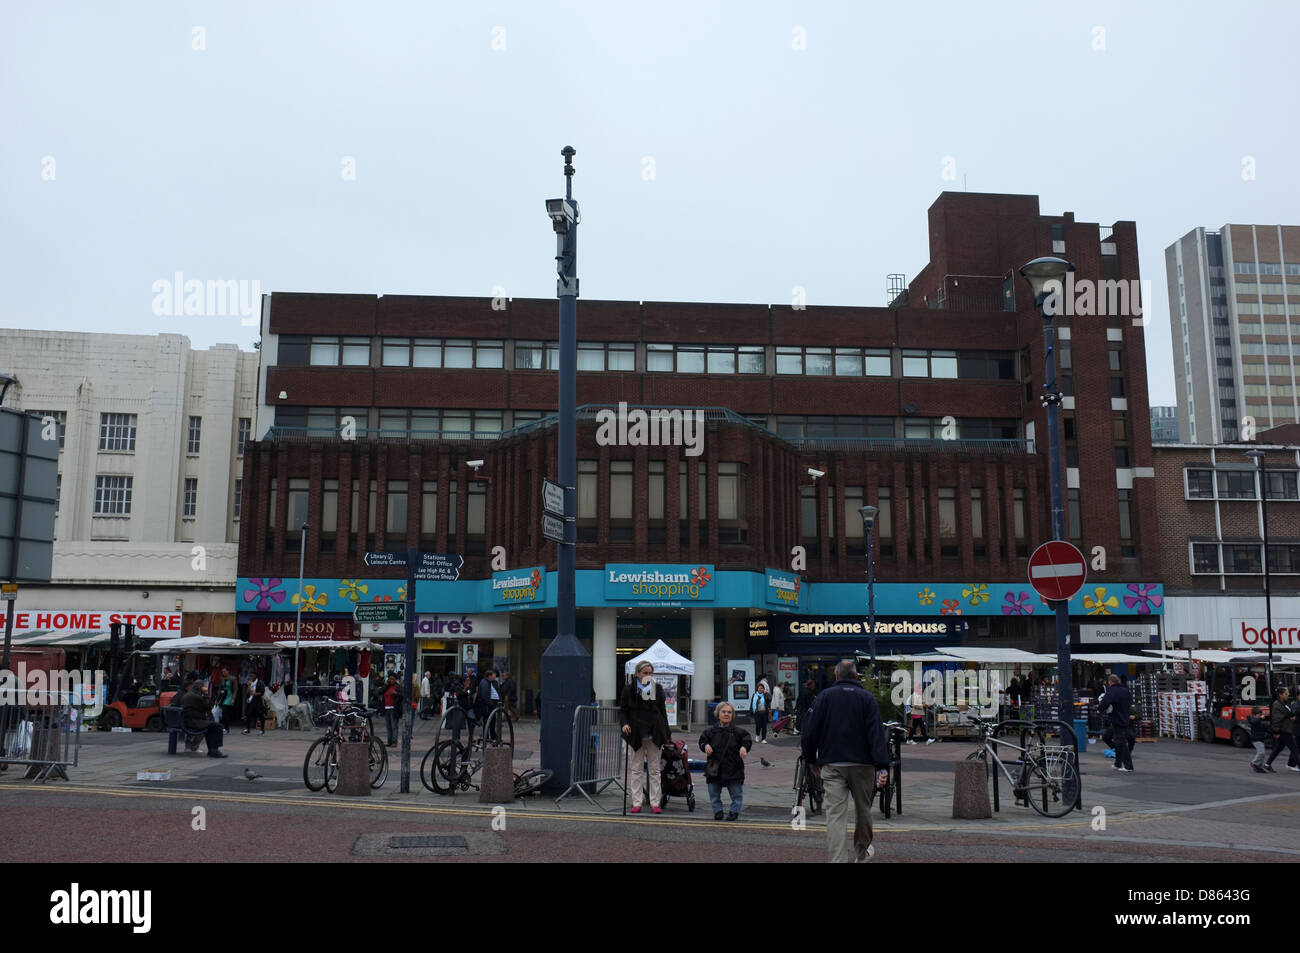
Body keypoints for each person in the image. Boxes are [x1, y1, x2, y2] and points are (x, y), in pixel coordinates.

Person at [800, 660, 889, 863]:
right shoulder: (867, 698)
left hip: (833, 763)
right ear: (856, 676)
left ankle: (838, 860)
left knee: (835, 816)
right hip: (863, 765)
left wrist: (811, 758)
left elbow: (809, 731)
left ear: (837, 676)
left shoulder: (824, 697)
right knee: (863, 810)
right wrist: (882, 765)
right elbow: (876, 734)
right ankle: (861, 852)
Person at [619, 660, 671, 814]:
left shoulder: (658, 689)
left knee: (654, 769)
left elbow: (662, 711)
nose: (648, 676)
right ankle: (637, 802)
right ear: (637, 674)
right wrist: (624, 724)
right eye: (645, 673)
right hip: (635, 732)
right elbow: (623, 710)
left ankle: (655, 802)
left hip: (654, 731)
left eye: (650, 673)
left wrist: (666, 732)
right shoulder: (629, 690)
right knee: (636, 769)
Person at [698, 701, 751, 820]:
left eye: (729, 712)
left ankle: (734, 812)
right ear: (718, 714)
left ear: (732, 715)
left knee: (736, 794)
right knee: (713, 793)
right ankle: (718, 811)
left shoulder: (739, 732)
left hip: (733, 767)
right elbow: (702, 741)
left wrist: (744, 747)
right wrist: (705, 746)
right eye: (724, 712)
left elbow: (746, 741)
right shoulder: (709, 732)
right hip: (715, 767)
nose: (726, 714)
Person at [180, 680, 227, 758]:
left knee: (211, 726)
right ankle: (214, 750)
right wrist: (206, 694)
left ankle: (212, 750)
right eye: (204, 686)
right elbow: (208, 706)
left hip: (188, 720)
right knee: (218, 727)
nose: (205, 687)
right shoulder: (196, 696)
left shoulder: (189, 694)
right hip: (193, 722)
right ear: (200, 687)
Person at [1099, 674, 1134, 772]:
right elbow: (1130, 702)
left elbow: (1105, 702)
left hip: (1116, 719)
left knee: (1121, 742)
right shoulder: (1125, 690)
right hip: (1124, 718)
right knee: (1109, 737)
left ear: (1110, 682)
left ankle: (1128, 766)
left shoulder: (1111, 691)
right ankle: (1117, 763)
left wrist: (1100, 709)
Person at [1265, 687, 1298, 772]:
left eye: (1288, 694)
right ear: (1280, 695)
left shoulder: (1284, 703)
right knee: (1294, 749)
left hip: (1285, 728)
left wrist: (1291, 716)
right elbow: (1276, 719)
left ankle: (1267, 764)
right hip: (1283, 730)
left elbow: (1289, 713)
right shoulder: (1277, 704)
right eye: (1286, 694)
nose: (1288, 695)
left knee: (1278, 748)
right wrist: (1276, 731)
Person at [1248, 706, 1272, 773]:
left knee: (1263, 754)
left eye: (1260, 715)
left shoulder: (1259, 721)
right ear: (1254, 715)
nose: (1260, 716)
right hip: (1255, 739)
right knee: (1261, 752)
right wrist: (1260, 719)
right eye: (1259, 715)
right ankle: (1254, 763)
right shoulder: (1252, 719)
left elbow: (1265, 728)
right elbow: (1254, 722)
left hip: (1260, 739)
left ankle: (1259, 766)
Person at [382, 675, 401, 747]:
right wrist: (385, 685)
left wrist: (396, 693)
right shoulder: (386, 687)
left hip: (394, 709)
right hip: (386, 708)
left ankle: (394, 742)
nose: (391, 680)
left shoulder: (398, 687)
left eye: (393, 679)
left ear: (395, 680)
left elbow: (402, 695)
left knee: (394, 726)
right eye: (390, 679)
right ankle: (389, 741)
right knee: (388, 726)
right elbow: (378, 692)